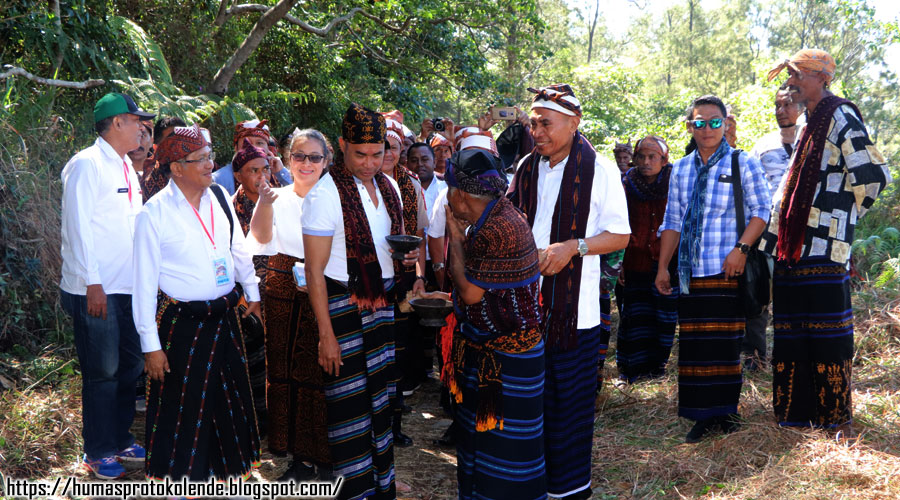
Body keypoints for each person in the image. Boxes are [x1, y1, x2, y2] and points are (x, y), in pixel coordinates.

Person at [508, 84, 630, 500]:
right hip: (523, 308)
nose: (537, 131)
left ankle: (568, 491)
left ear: (574, 122)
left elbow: (620, 235)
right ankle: (528, 486)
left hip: (571, 315)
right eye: (533, 123)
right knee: (526, 405)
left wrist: (574, 247)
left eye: (545, 123)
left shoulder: (599, 169)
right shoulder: (527, 166)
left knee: (567, 410)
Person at [762, 49, 891, 437]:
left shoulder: (839, 114)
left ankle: (835, 417)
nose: (791, 82)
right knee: (792, 331)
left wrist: (837, 216)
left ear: (821, 77)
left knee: (828, 334)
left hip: (824, 246)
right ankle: (797, 416)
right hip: (793, 247)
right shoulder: (807, 122)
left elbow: (873, 175)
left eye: (798, 75)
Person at [133, 124, 262, 481]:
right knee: (183, 407)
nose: (210, 164)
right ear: (176, 168)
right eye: (200, 159)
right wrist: (151, 348)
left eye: (210, 157)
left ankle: (229, 474)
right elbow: (142, 287)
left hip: (224, 315)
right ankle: (181, 481)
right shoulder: (153, 214)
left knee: (230, 399)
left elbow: (238, 249)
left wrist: (252, 292)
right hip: (182, 323)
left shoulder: (220, 197)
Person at [302, 103, 418, 499]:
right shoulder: (325, 194)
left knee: (382, 400)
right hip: (342, 308)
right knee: (349, 409)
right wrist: (326, 336)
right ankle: (355, 490)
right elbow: (314, 272)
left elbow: (390, 248)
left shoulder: (388, 189)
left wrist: (408, 262)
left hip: (382, 305)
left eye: (377, 153)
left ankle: (381, 483)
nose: (370, 163)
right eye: (359, 154)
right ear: (341, 145)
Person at [655, 94, 771, 443]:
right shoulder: (681, 168)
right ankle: (702, 415)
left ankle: (726, 413)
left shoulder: (741, 162)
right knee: (695, 345)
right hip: (691, 272)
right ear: (690, 126)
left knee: (723, 343)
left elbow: (761, 211)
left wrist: (741, 249)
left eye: (715, 122)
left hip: (727, 268)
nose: (707, 129)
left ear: (725, 124)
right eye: (700, 122)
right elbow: (672, 220)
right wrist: (663, 267)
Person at [442, 147, 547, 500]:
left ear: (458, 194)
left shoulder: (496, 229)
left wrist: (455, 238)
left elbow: (471, 294)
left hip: (507, 360)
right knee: (485, 447)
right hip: (500, 352)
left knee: (506, 455)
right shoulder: (495, 216)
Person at [60, 92, 153, 480]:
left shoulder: (126, 167)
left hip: (127, 287)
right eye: (135, 121)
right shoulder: (87, 164)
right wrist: (92, 283)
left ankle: (118, 438)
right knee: (103, 372)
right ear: (117, 123)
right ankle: (97, 451)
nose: (142, 128)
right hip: (95, 290)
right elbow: (77, 228)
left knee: (130, 367)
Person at [249, 128, 332, 481]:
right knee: (284, 373)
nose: (306, 163)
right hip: (283, 286)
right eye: (299, 156)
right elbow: (262, 237)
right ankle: (298, 458)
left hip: (326, 286)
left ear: (327, 161)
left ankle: (327, 456)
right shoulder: (276, 196)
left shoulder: (337, 198)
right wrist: (265, 202)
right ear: (287, 158)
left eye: (315, 157)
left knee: (321, 371)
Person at [743, 84, 805, 368]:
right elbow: (749, 189)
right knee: (759, 296)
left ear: (803, 105)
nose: (782, 111)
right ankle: (756, 358)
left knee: (796, 299)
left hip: (805, 237)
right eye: (778, 105)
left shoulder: (817, 141)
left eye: (788, 104)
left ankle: (791, 360)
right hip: (767, 237)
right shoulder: (764, 145)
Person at [381, 111, 427, 445]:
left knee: (398, 350)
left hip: (404, 277)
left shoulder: (410, 184)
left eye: (393, 147)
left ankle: (394, 424)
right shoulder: (354, 184)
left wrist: (419, 277)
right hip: (368, 280)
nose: (387, 154)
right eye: (381, 147)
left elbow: (420, 235)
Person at [616, 136, 679, 383]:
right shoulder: (626, 183)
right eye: (641, 156)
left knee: (663, 316)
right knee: (634, 316)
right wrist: (618, 260)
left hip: (667, 260)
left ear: (664, 160)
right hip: (634, 259)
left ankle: (657, 367)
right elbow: (617, 223)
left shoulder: (675, 183)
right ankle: (629, 370)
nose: (646, 161)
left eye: (652, 157)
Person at [229, 138, 272, 436]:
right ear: (238, 175)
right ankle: (253, 423)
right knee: (251, 362)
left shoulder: (280, 201)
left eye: (265, 169)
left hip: (279, 293)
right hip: (246, 299)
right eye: (253, 170)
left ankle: (274, 421)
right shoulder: (230, 208)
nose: (261, 176)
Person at [212, 119, 292, 194]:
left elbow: (298, 198)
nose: (254, 148)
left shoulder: (277, 174)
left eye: (259, 143)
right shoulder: (219, 180)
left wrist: (281, 172)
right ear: (236, 148)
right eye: (246, 143)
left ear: (268, 149)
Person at [141, 116, 186, 202]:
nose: (180, 146)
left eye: (184, 139)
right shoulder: (149, 183)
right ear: (156, 147)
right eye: (172, 141)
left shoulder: (197, 169)